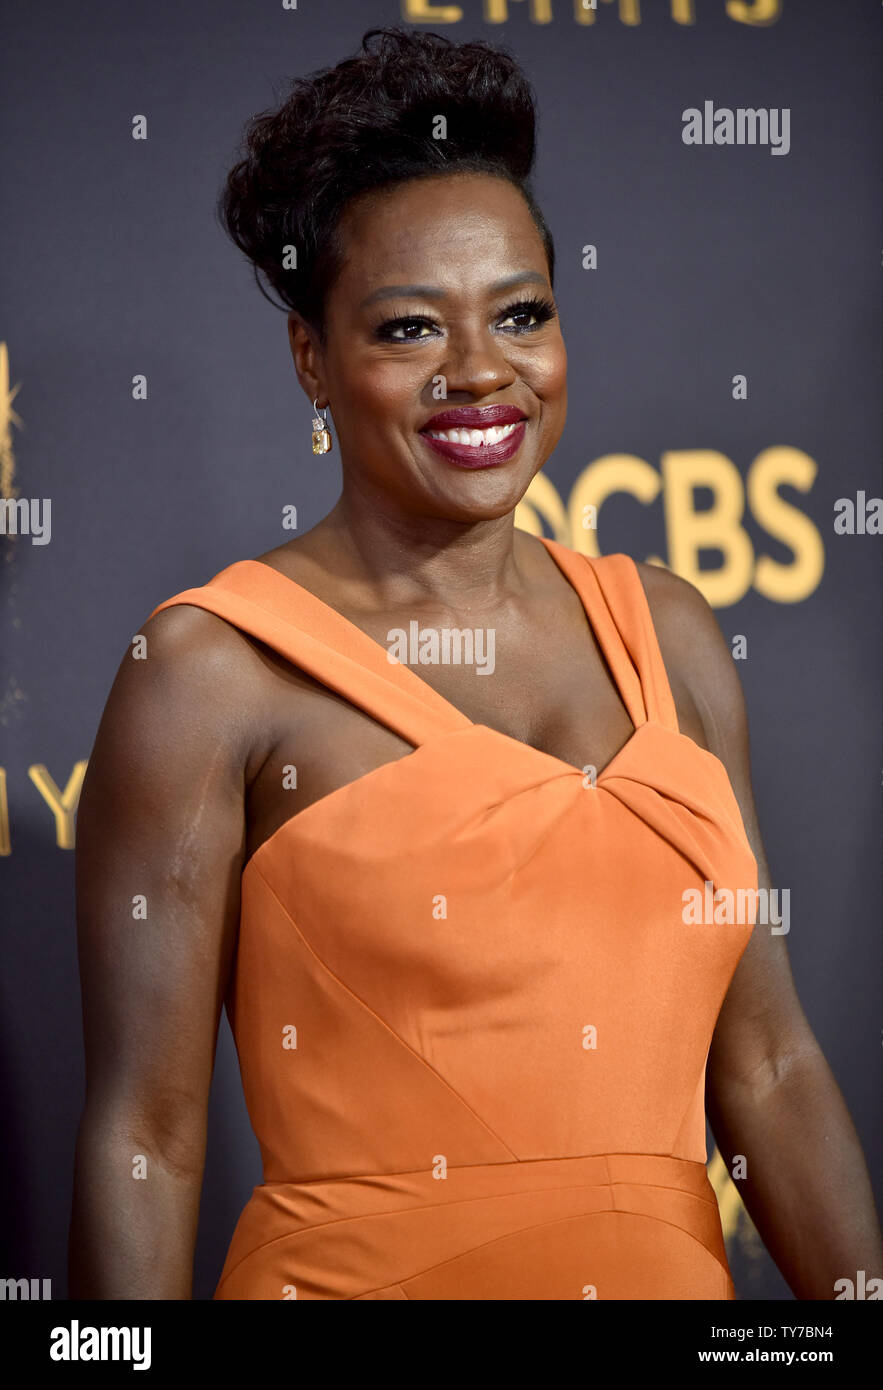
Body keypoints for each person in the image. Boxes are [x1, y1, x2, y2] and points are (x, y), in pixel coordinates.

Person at [69, 27, 882, 1300]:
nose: (481, 372)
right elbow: (149, 1139)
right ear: (311, 361)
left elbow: (769, 1068)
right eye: (407, 328)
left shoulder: (667, 629)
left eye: (521, 313)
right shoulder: (212, 667)